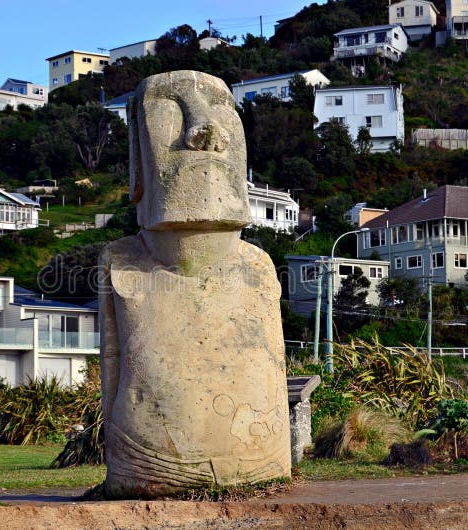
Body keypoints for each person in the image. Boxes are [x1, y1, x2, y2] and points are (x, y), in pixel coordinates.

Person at [99, 71, 290, 498]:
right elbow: (112, 376)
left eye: (222, 107)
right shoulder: (121, 261)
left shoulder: (258, 267)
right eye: (168, 108)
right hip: (145, 462)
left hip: (262, 459)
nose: (205, 131)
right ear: (137, 156)